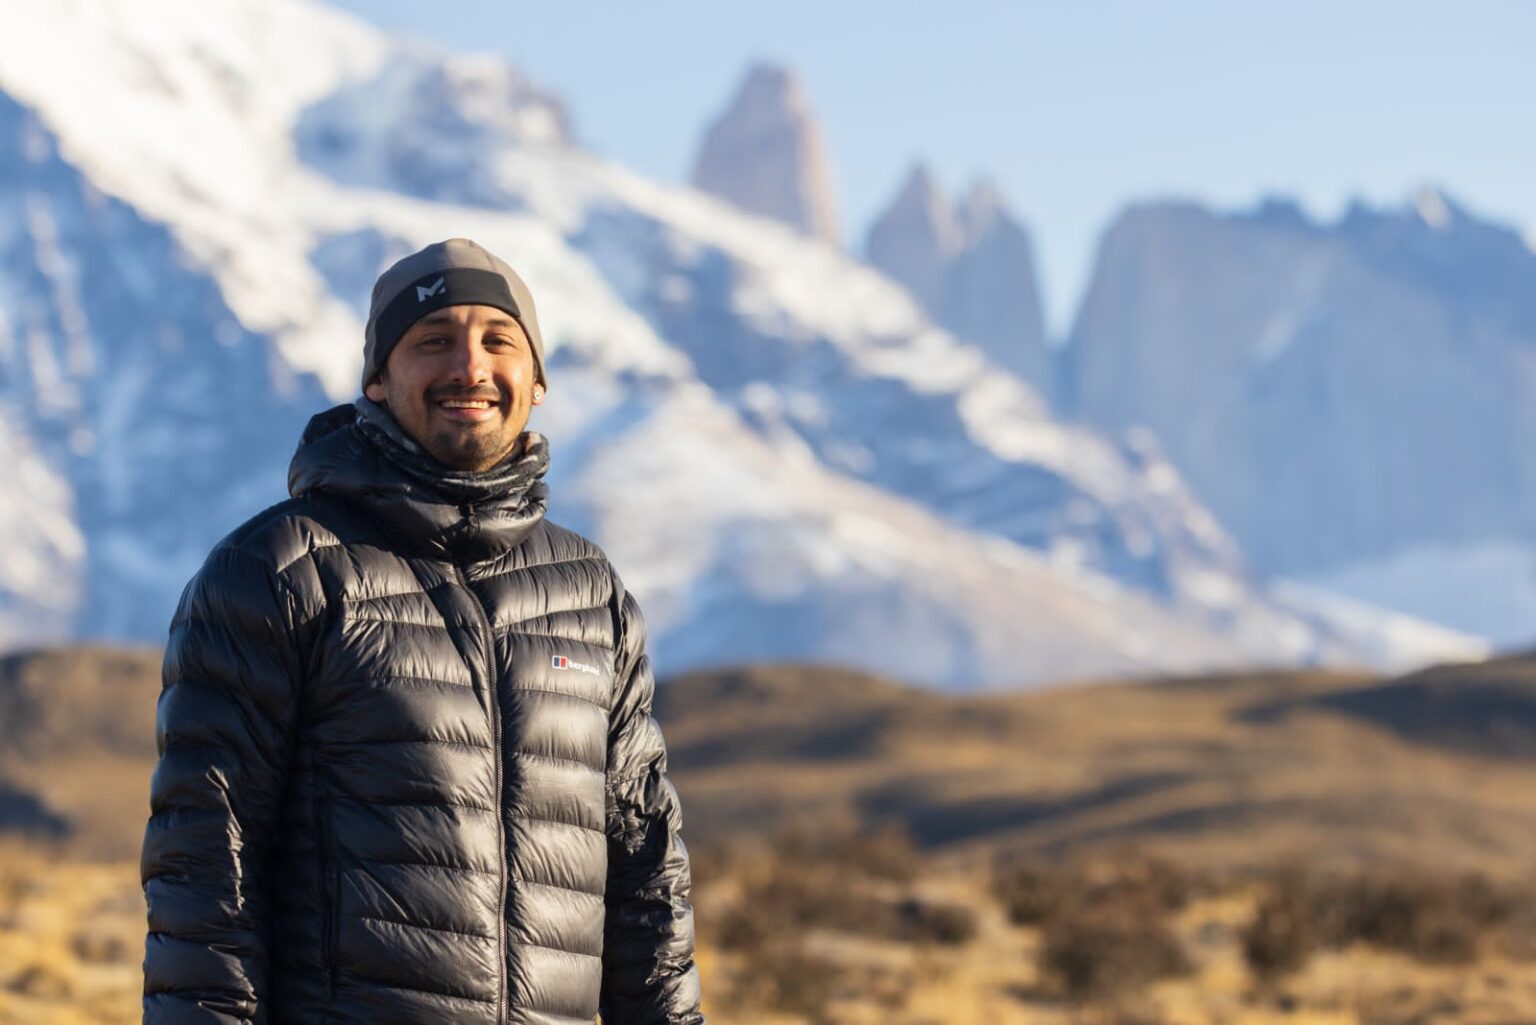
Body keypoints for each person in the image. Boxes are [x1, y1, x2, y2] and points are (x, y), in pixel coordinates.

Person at [139, 238, 706, 1025]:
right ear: (377, 377)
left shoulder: (591, 592)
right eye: (432, 340)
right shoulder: (277, 571)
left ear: (536, 380)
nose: (469, 367)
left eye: (497, 341)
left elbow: (647, 876)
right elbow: (204, 866)